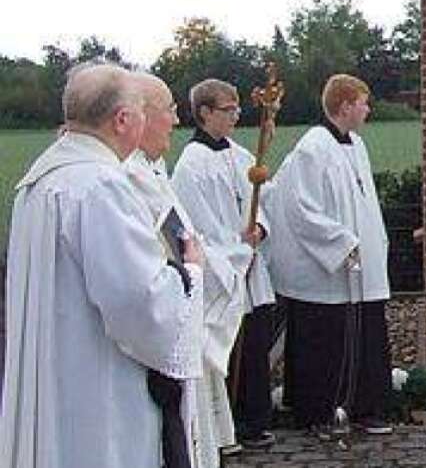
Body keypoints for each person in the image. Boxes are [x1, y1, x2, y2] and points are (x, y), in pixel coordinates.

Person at [0, 63, 205, 468]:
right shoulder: (101, 186)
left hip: (57, 373)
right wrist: (190, 273)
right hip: (99, 388)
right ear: (123, 120)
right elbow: (141, 303)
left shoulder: (40, 181)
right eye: (142, 111)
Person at [267, 74, 392, 438]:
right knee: (322, 341)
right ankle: (316, 413)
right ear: (345, 105)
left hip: (362, 266)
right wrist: (341, 243)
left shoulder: (357, 145)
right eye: (363, 103)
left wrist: (373, 243)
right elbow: (300, 208)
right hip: (327, 270)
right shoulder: (312, 148)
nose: (368, 109)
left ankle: (364, 407)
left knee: (366, 336)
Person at [171, 78, 275, 456]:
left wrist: (259, 227)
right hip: (223, 270)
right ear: (204, 113)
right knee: (230, 349)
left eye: (236, 109)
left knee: (257, 344)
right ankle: (230, 424)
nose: (236, 116)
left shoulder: (240, 155)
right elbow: (198, 226)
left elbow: (260, 197)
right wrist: (234, 253)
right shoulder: (190, 167)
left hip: (249, 265)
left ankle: (256, 419)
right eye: (228, 110)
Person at [122, 72, 204, 468]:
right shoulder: (127, 179)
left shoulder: (154, 171)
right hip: (151, 353)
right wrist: (194, 269)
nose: (175, 120)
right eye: (169, 110)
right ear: (138, 115)